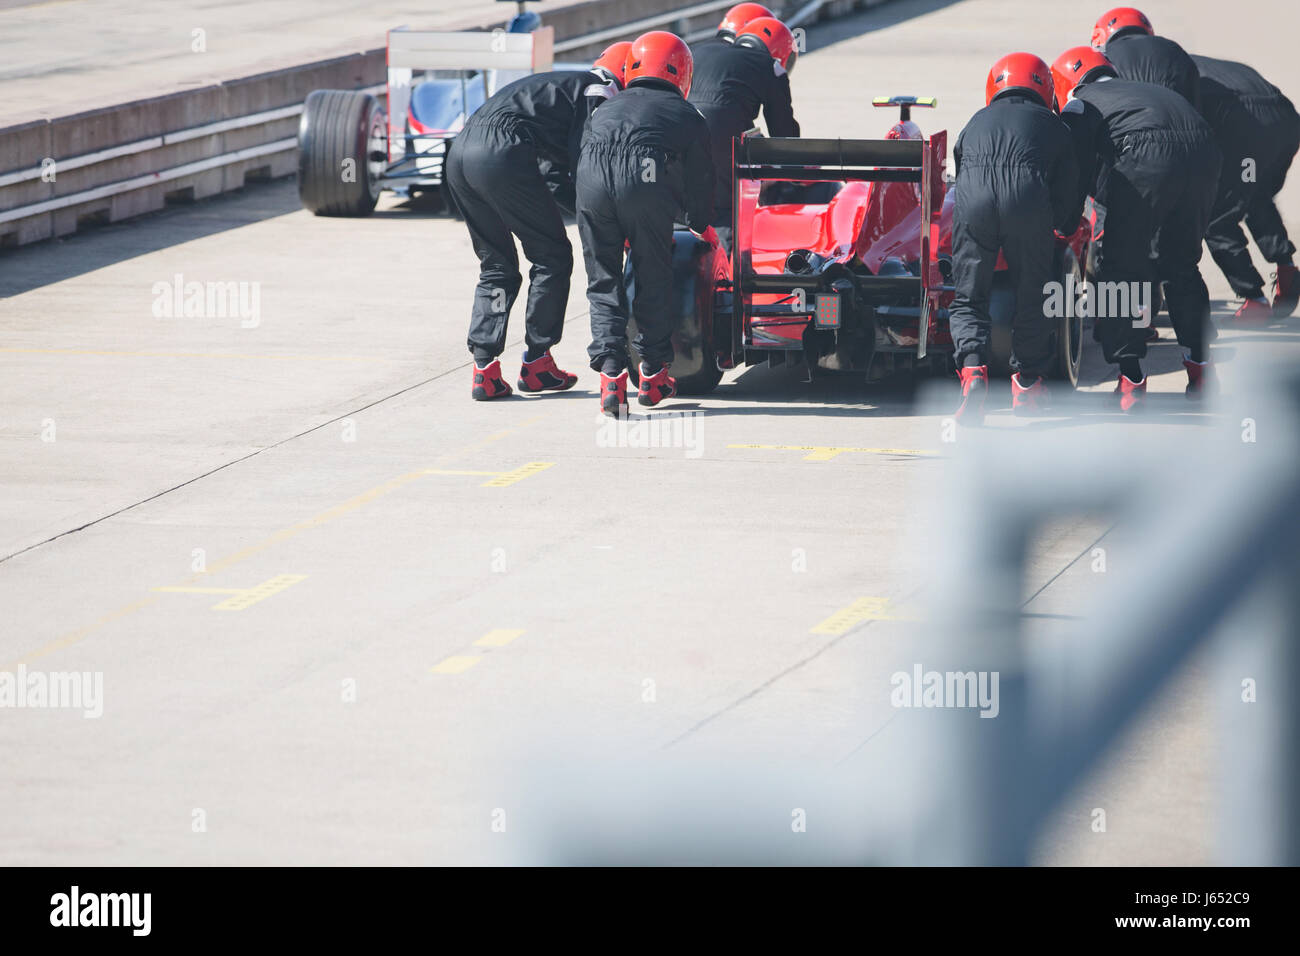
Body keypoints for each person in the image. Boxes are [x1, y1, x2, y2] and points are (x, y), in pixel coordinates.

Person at [444, 52, 622, 400]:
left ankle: (485, 370)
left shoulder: (559, 85)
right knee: (552, 257)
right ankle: (538, 363)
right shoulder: (598, 92)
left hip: (461, 152)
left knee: (496, 266)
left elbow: (554, 176)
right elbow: (582, 165)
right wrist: (605, 222)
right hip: (501, 152)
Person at [1052, 47, 1221, 411]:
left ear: (1066, 84)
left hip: (1147, 154)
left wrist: (1063, 225)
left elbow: (1076, 176)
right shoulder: (1146, 90)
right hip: (1204, 151)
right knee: (1182, 266)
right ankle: (1202, 372)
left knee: (1118, 269)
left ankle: (1130, 379)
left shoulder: (1080, 104)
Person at [576, 31, 715, 416]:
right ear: (681, 73)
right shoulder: (687, 114)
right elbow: (701, 180)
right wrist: (700, 223)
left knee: (603, 280)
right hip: (643, 180)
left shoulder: (607, 107)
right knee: (653, 275)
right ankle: (652, 376)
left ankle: (611, 378)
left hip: (591, 183)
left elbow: (588, 153)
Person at [948, 53, 1078, 424]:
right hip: (1027, 203)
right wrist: (1063, 224)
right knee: (1033, 294)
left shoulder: (975, 121)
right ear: (1045, 89)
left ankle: (973, 372)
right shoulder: (1055, 127)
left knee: (969, 297)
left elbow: (961, 169)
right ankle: (1027, 386)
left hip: (974, 205)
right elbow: (1068, 194)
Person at [1193, 54, 1300, 322]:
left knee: (1218, 219)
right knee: (1255, 194)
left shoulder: (1161, 73)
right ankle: (1286, 268)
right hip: (1284, 121)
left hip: (1250, 131)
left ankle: (1254, 299)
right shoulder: (1192, 62)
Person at [689, 13, 800, 253]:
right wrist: (796, 174)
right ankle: (725, 280)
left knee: (680, 206)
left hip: (675, 129)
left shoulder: (697, 50)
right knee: (724, 210)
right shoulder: (770, 66)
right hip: (720, 134)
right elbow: (785, 136)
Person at [1090, 7, 1198, 107]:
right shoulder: (1173, 48)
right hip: (1180, 118)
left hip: (1132, 123)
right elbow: (1193, 94)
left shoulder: (1103, 56)